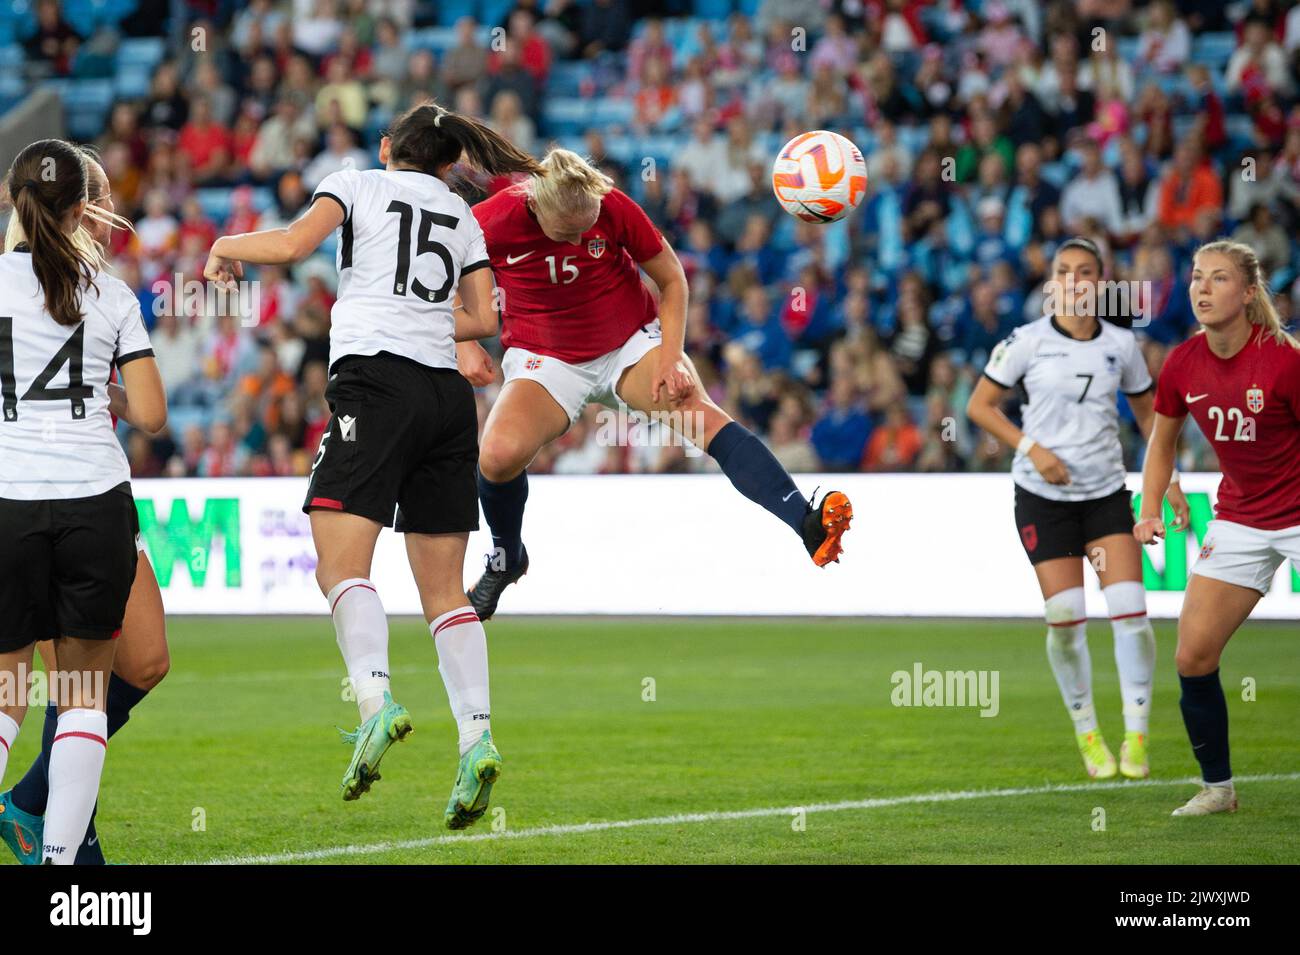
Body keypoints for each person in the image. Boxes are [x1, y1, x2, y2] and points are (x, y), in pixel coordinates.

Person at [203, 102, 529, 830]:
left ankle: (377, 703)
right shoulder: (462, 213)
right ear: (449, 164)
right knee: (446, 592)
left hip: (376, 385)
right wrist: (417, 311)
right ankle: (477, 736)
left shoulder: (355, 182)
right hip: (448, 398)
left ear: (387, 148)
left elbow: (291, 245)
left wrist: (226, 240)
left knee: (339, 561)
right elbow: (482, 320)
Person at [457, 149, 853, 621]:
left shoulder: (611, 204)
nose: (581, 237)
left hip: (628, 342)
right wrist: (461, 344)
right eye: (569, 231)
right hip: (546, 354)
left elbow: (672, 279)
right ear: (537, 207)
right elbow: (440, 277)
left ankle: (804, 522)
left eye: (587, 227)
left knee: (701, 418)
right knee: (497, 456)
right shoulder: (490, 218)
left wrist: (670, 359)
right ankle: (506, 559)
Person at [0, 147, 170, 866]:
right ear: (82, 208)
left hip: (11, 500)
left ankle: (32, 811)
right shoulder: (111, 292)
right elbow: (156, 414)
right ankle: (66, 864)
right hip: (92, 501)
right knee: (80, 696)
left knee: (10, 692)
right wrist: (100, 395)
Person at [967, 237, 1188, 780]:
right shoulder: (1026, 342)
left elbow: (1149, 420)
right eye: (1063, 272)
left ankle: (1136, 734)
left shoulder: (1121, 345)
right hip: (1044, 501)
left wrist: (1171, 482)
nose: (1073, 281)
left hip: (1106, 497)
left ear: (1101, 281)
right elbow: (978, 406)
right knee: (1067, 622)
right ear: (1052, 283)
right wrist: (1031, 449)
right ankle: (1088, 731)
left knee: (1131, 613)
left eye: (1084, 272)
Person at [1135, 240, 1300, 816]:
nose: (1202, 288)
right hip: (1241, 517)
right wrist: (1149, 506)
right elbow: (1162, 443)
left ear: (1249, 294)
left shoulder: (1285, 359)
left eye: (1219, 279)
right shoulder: (1182, 363)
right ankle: (1218, 789)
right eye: (1197, 278)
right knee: (1192, 657)